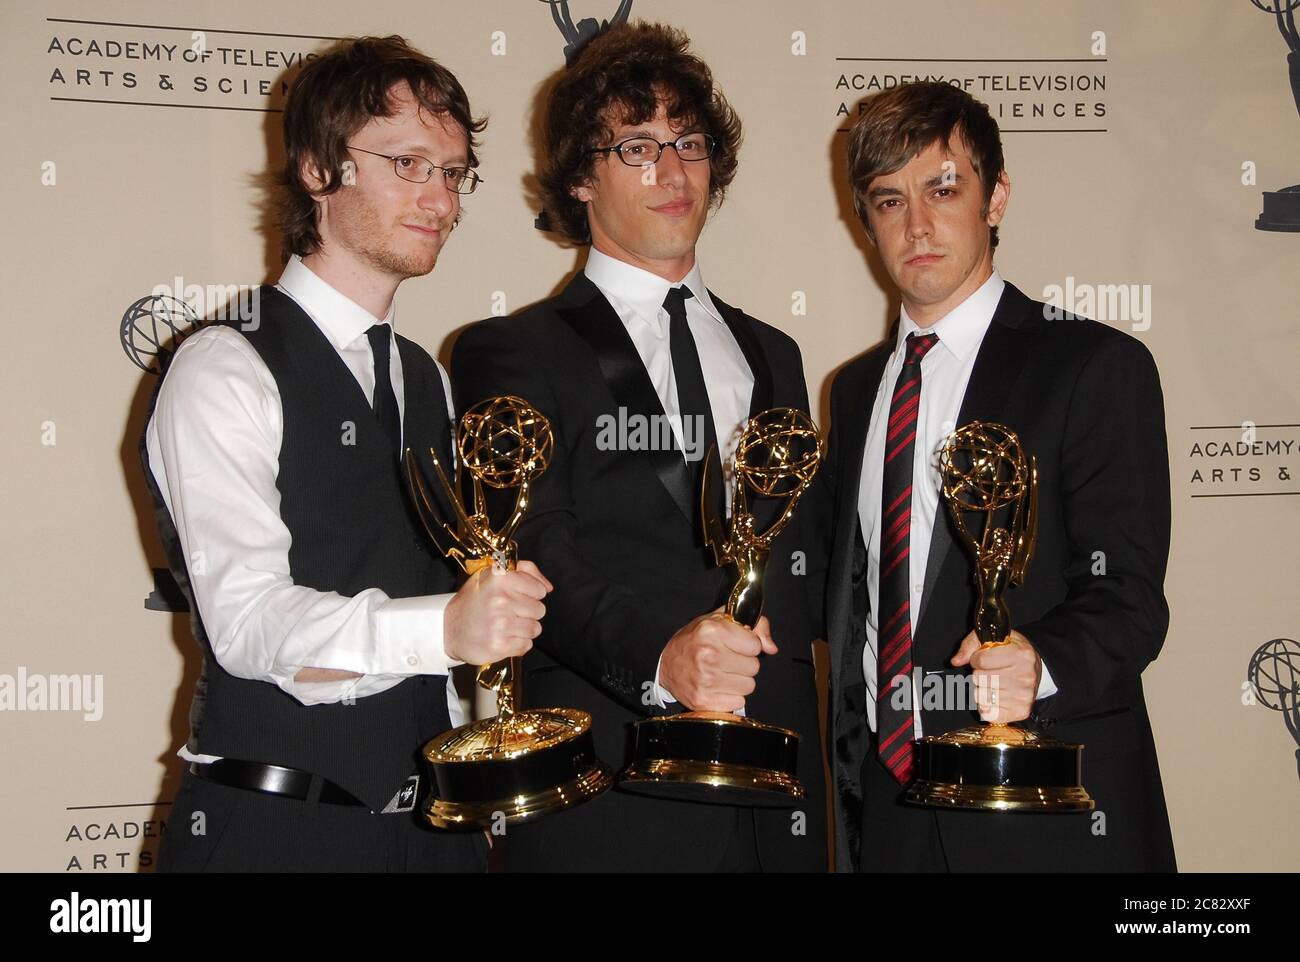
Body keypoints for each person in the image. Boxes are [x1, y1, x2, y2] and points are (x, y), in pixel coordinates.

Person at [142, 35, 551, 872]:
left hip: (434, 834)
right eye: (408, 164)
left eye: (453, 171)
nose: (441, 197)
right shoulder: (225, 364)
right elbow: (248, 621)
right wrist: (443, 627)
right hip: (273, 831)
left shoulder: (427, 380)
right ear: (320, 170)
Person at [452, 21, 827, 871]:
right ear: (580, 178)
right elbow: (537, 553)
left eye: (688, 142)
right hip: (615, 793)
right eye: (636, 146)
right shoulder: (511, 351)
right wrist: (664, 660)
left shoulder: (777, 353)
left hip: (781, 797)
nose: (672, 168)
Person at [824, 80, 1176, 871]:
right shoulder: (852, 394)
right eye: (888, 200)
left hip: (1050, 810)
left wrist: (1040, 665)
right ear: (865, 221)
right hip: (891, 813)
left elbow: (1130, 600)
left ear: (997, 196)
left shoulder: (1093, 366)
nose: (917, 224)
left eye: (943, 188)